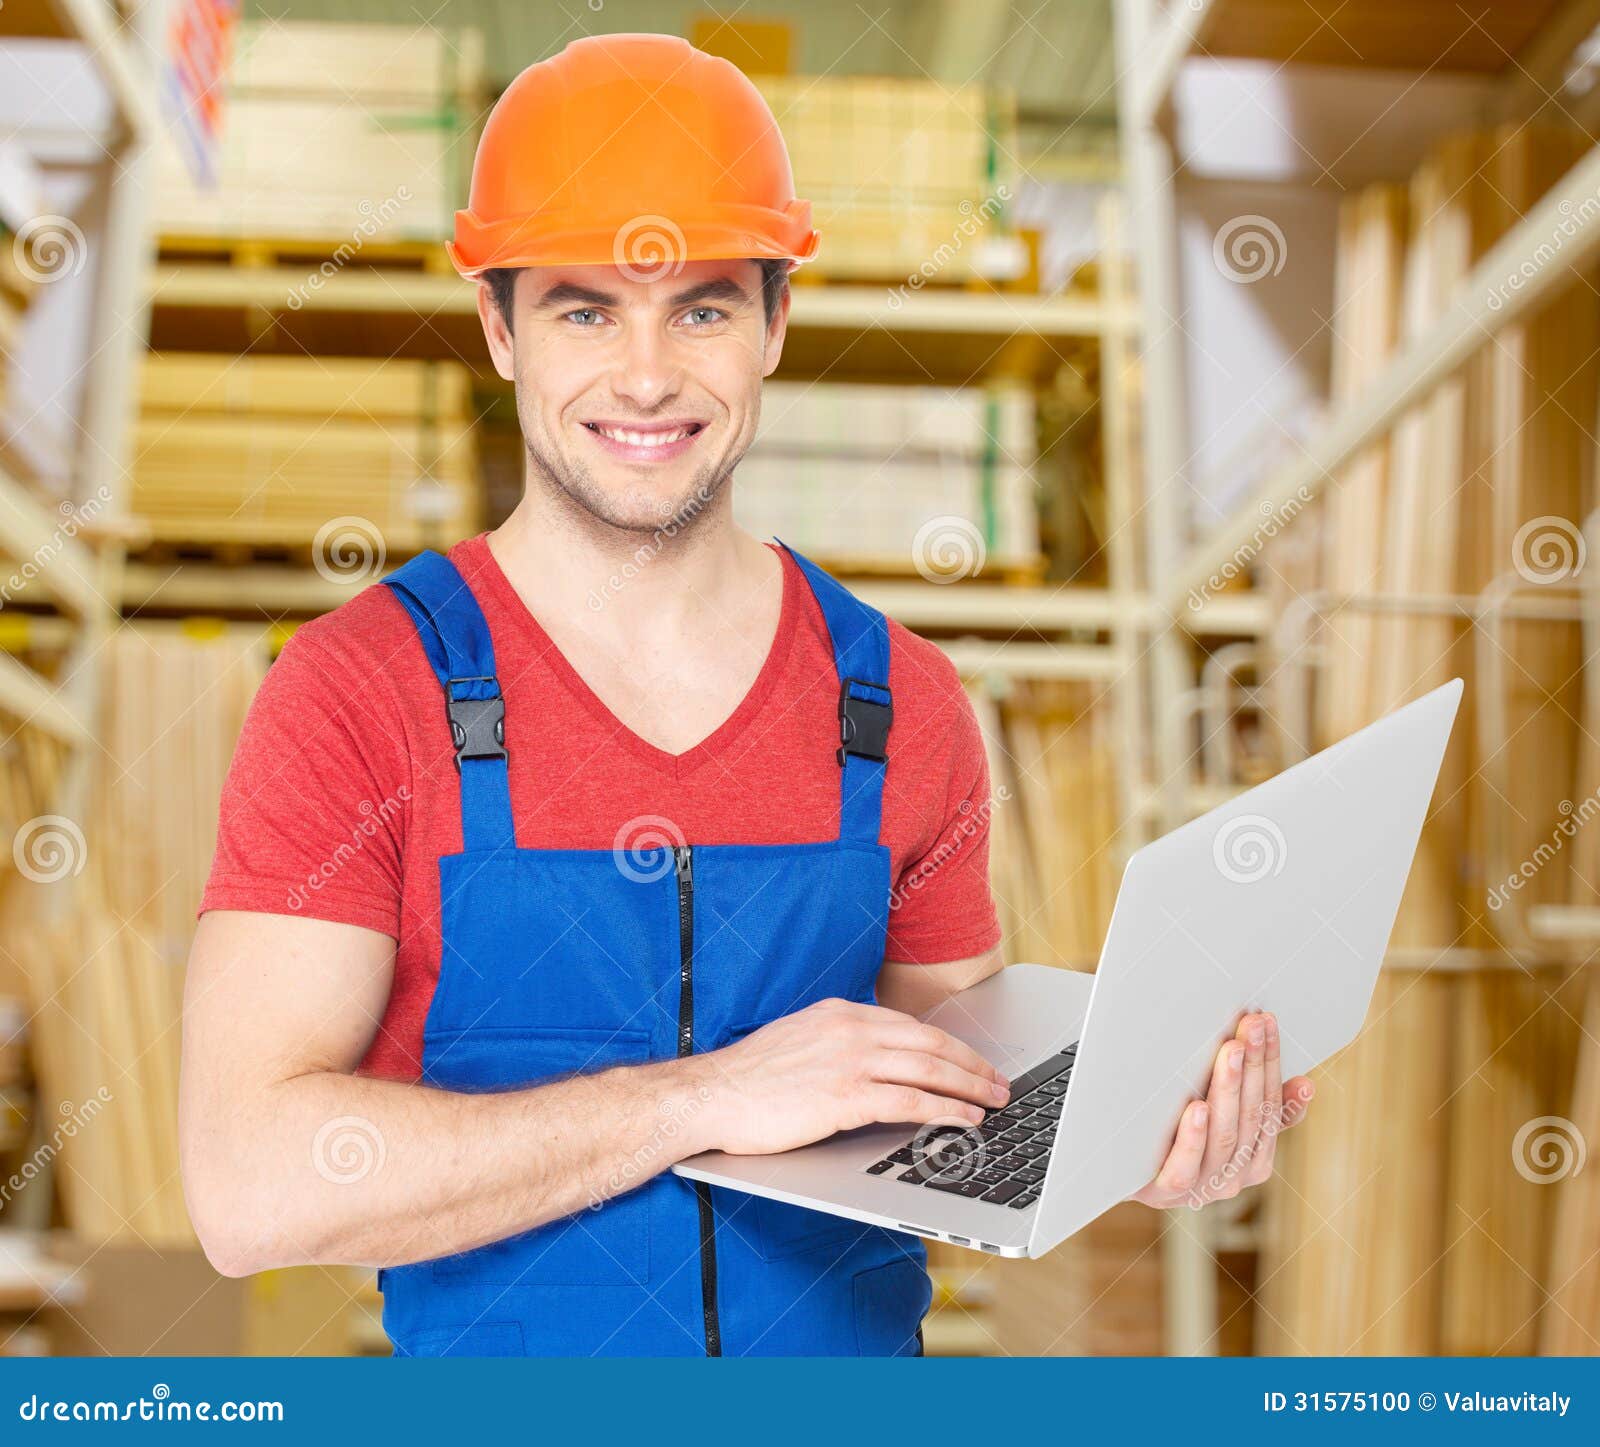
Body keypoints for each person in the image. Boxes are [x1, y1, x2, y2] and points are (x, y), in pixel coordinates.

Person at [180, 31, 1313, 1358]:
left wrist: (1133, 1137)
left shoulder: (899, 700)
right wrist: (701, 1100)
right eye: (584, 309)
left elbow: (952, 1108)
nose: (648, 376)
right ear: (497, 327)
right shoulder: (362, 694)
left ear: (777, 323)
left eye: (703, 306)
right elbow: (247, 1185)